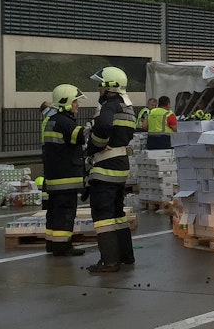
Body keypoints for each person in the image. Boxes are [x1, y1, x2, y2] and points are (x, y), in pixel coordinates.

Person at [85, 66, 136, 273]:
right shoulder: (128, 108)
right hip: (121, 166)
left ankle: (109, 261)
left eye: (100, 84)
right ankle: (126, 256)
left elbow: (104, 127)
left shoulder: (109, 106)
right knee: (117, 214)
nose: (98, 89)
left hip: (105, 167)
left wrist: (95, 144)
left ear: (109, 87)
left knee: (103, 215)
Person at [43, 84, 88, 256]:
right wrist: (96, 124)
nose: (77, 105)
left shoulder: (52, 121)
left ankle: (52, 243)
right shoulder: (65, 122)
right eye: (75, 101)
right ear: (66, 102)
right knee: (65, 212)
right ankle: (62, 246)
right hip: (66, 177)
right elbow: (81, 136)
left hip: (54, 176)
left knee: (54, 211)